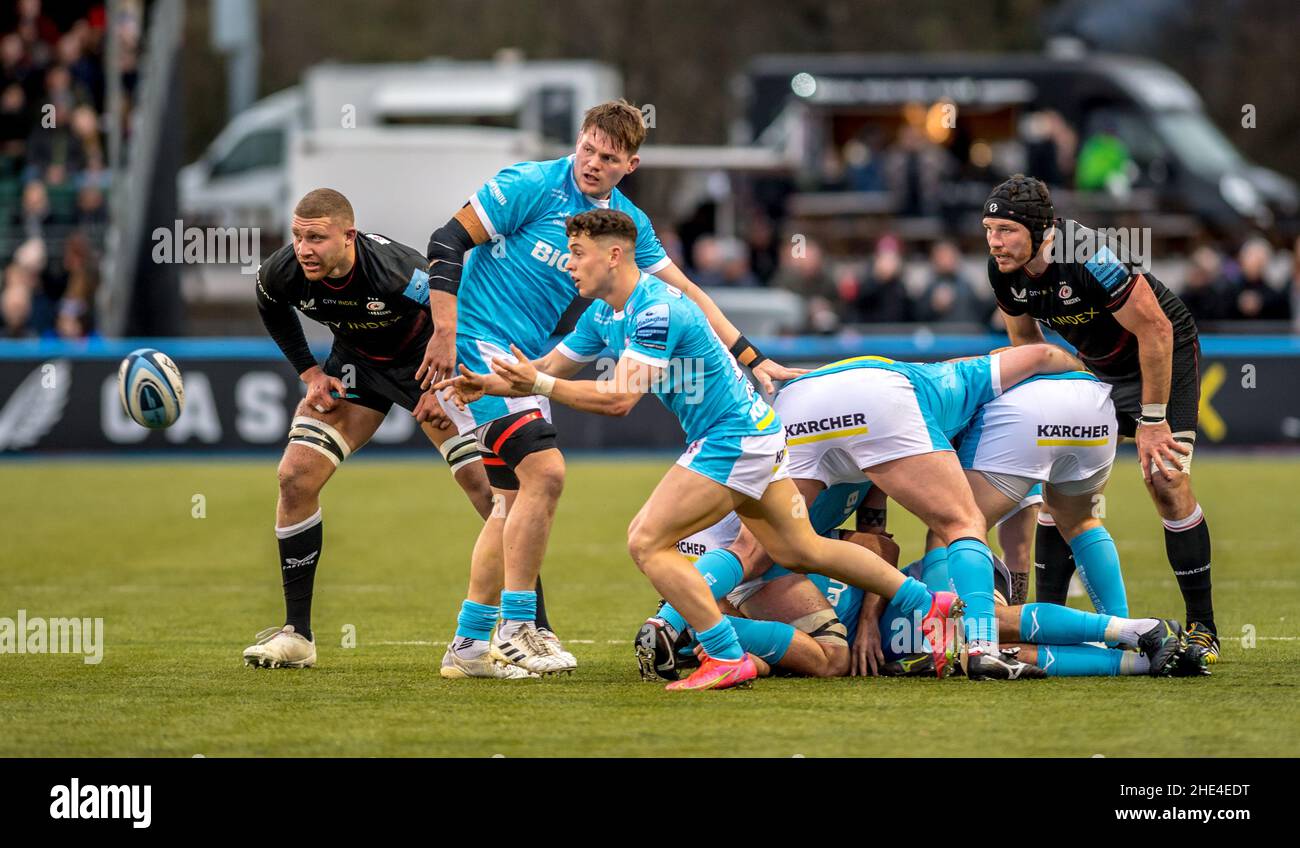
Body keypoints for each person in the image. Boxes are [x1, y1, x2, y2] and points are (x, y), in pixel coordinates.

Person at [438, 209, 962, 690]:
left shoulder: (656, 310)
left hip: (732, 437)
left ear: (614, 255)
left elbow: (619, 400)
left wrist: (539, 386)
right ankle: (928, 603)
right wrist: (488, 384)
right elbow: (546, 369)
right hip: (753, 435)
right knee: (802, 549)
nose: (568, 264)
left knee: (646, 541)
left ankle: (723, 653)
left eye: (577, 253)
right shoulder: (603, 315)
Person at [417, 100, 801, 677]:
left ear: (631, 164)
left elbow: (687, 291)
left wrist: (751, 356)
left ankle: (470, 646)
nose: (592, 163)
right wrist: (443, 332)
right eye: (588, 148)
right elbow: (445, 242)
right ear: (579, 139)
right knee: (544, 473)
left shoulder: (626, 226)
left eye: (609, 157)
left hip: (524, 361)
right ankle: (520, 627)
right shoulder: (529, 184)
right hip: (477, 343)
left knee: (510, 503)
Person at [242, 188, 495, 671]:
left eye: (316, 237)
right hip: (357, 368)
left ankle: (529, 627)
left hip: (427, 368)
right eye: (297, 237)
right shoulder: (284, 271)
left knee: (490, 490)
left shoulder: (397, 270)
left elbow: (465, 310)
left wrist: (446, 378)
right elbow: (270, 305)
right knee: (295, 476)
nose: (304, 249)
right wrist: (310, 373)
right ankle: (297, 635)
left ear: (348, 236)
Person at [982, 174, 1219, 660]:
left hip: (1161, 356)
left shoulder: (1089, 253)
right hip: (1099, 370)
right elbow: (1027, 347)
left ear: (1038, 229)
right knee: (1060, 482)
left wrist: (1152, 419)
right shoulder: (1003, 270)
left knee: (1166, 480)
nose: (994, 242)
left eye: (1005, 230)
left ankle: (1203, 628)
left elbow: (1155, 329)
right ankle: (1049, 621)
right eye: (988, 228)